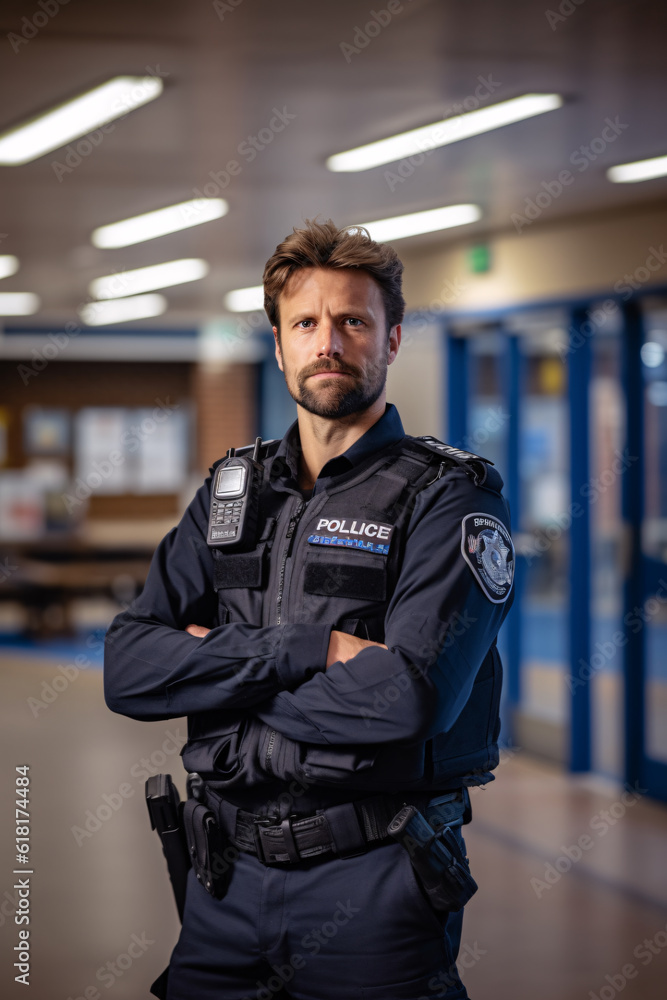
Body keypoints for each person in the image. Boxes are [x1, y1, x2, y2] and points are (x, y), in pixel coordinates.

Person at [103, 219, 515, 1000]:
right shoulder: (232, 493)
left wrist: (216, 663)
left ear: (391, 339)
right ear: (279, 341)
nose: (328, 341)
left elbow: (408, 696)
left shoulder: (449, 496)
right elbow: (126, 667)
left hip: (374, 884)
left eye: (353, 321)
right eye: (306, 322)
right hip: (221, 883)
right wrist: (310, 649)